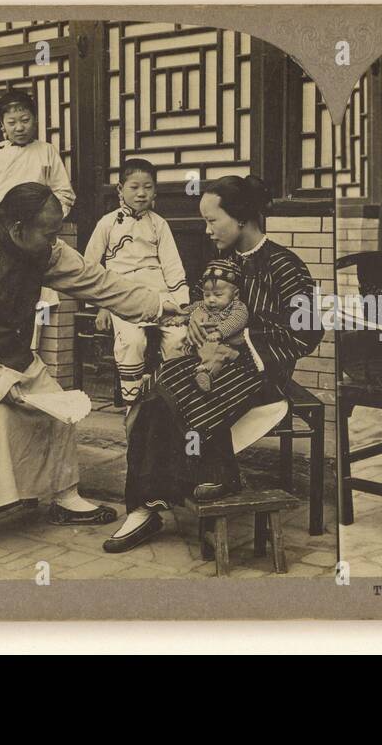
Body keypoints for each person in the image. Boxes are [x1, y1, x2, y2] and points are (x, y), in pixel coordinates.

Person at [0, 182, 181, 541]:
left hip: (10, 349)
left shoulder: (42, 248)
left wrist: (156, 305)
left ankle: (64, 497)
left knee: (59, 409)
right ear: (18, 229)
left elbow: (96, 280)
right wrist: (2, 383)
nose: (55, 240)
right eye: (50, 232)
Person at [103, 175, 322, 553]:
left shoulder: (287, 266)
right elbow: (205, 308)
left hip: (260, 371)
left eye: (211, 221)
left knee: (173, 396)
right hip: (211, 364)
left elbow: (308, 333)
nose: (206, 231)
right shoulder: (224, 263)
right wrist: (194, 322)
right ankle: (151, 503)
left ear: (240, 218)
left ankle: (182, 488)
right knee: (154, 389)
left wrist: (240, 339)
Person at [84, 158, 190, 406]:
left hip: (158, 295)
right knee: (132, 341)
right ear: (120, 189)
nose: (142, 193)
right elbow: (89, 267)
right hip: (122, 296)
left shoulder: (159, 224)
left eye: (148, 187)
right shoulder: (107, 223)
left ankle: (172, 397)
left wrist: (182, 305)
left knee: (178, 336)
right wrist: (103, 305)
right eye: (134, 187)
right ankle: (132, 404)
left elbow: (173, 266)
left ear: (155, 190)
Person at [0, 91, 75, 227]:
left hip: (30, 228)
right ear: (2, 125)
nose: (19, 128)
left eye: (25, 120)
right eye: (11, 123)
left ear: (35, 120)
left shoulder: (46, 151)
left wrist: (44, 220)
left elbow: (64, 194)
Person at [163, 258, 249, 392]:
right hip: (204, 344)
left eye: (218, 295)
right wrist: (180, 317)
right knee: (179, 345)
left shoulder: (237, 307)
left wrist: (219, 332)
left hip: (226, 344)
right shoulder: (204, 305)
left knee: (214, 352)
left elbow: (236, 321)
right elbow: (191, 309)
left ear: (235, 294)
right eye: (207, 295)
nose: (211, 300)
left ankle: (206, 374)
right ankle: (170, 372)